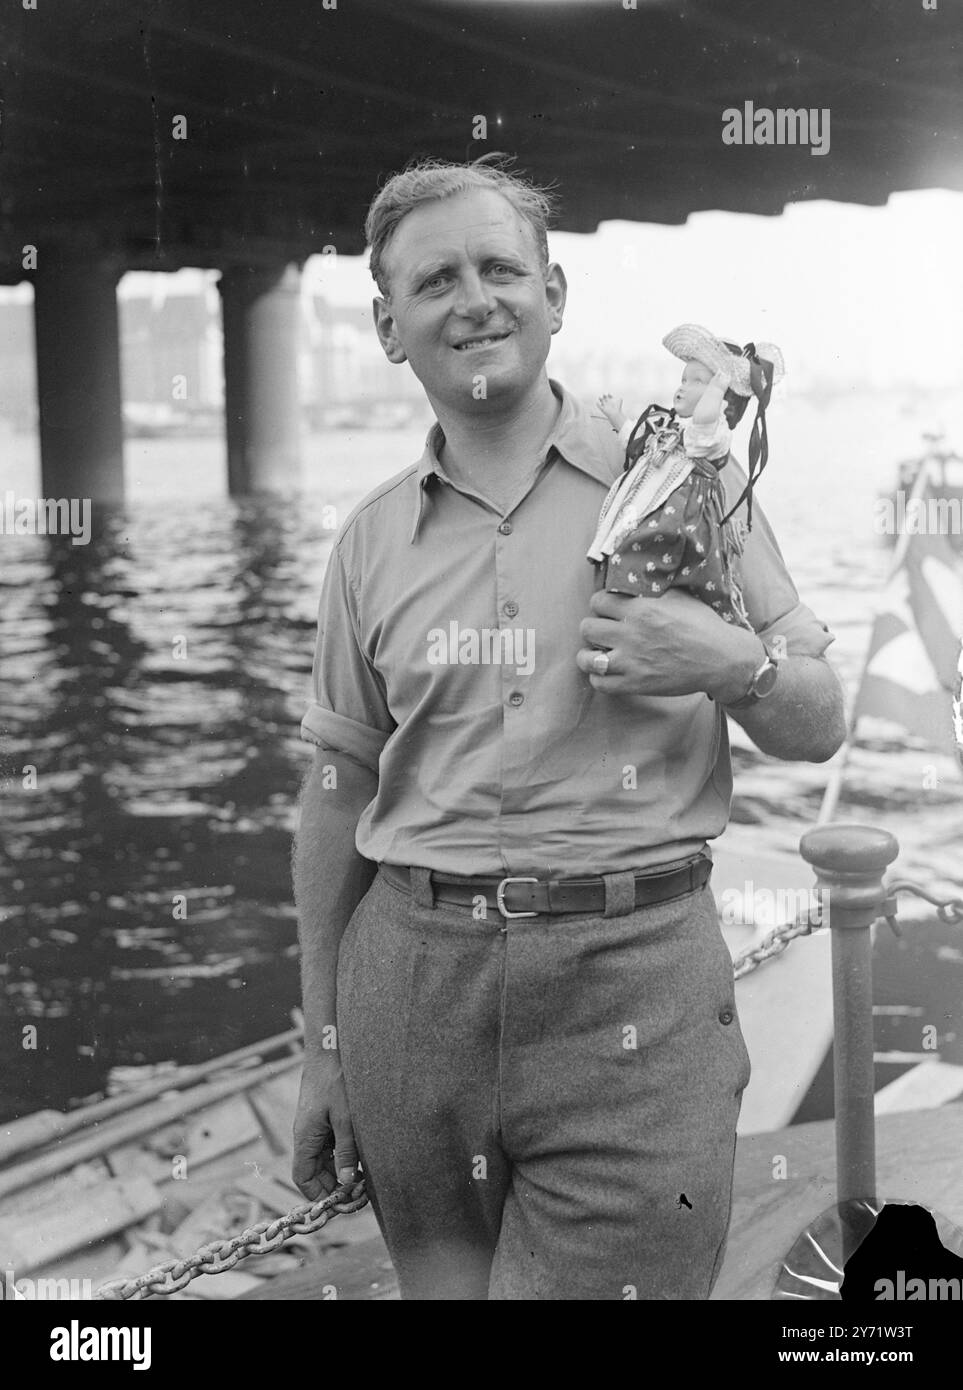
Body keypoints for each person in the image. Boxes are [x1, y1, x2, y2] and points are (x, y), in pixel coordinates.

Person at [291, 154, 846, 1301]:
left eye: (501, 267)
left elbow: (821, 718)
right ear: (391, 330)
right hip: (410, 992)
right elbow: (337, 793)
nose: (476, 297)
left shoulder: (686, 484)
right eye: (436, 281)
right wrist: (324, 1048)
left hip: (632, 993)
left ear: (556, 295)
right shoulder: (367, 544)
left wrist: (729, 662)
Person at [590, 326, 785, 628]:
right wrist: (617, 417)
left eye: (697, 381)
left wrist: (719, 388)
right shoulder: (674, 433)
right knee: (630, 555)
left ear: (723, 401)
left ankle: (646, 613)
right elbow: (640, 444)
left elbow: (706, 418)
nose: (682, 387)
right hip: (656, 510)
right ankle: (633, 610)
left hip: (683, 519)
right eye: (684, 379)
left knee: (652, 559)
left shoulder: (707, 435)